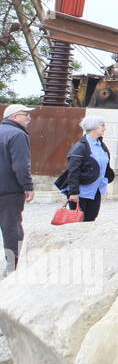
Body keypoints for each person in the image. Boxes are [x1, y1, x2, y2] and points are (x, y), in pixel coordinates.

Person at [58, 116, 115, 223]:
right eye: (102, 125)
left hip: (95, 190)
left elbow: (104, 166)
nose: (104, 128)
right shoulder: (80, 147)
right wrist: (74, 192)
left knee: (91, 217)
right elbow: (73, 171)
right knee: (79, 220)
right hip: (81, 191)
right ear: (93, 127)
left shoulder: (101, 145)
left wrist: (106, 180)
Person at [0, 105, 35, 273]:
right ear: (14, 117)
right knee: (12, 230)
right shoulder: (18, 134)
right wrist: (27, 186)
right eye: (25, 115)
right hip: (9, 191)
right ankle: (13, 268)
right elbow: (21, 165)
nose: (29, 118)